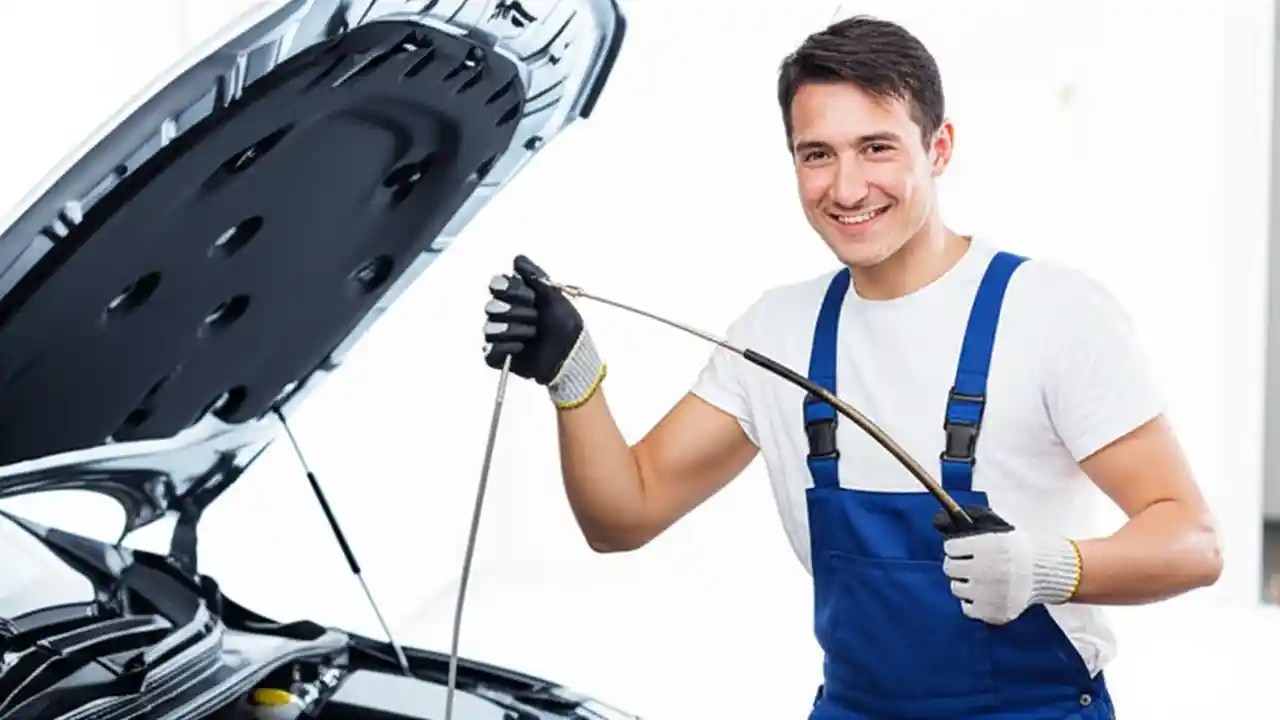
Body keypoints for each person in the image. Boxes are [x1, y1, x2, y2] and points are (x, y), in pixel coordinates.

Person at [480, 14, 1223, 720]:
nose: (845, 188)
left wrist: (1047, 568)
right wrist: (573, 378)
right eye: (817, 154)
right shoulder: (777, 332)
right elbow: (624, 514)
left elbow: (1191, 541)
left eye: (877, 147)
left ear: (938, 148)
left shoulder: (1053, 312)